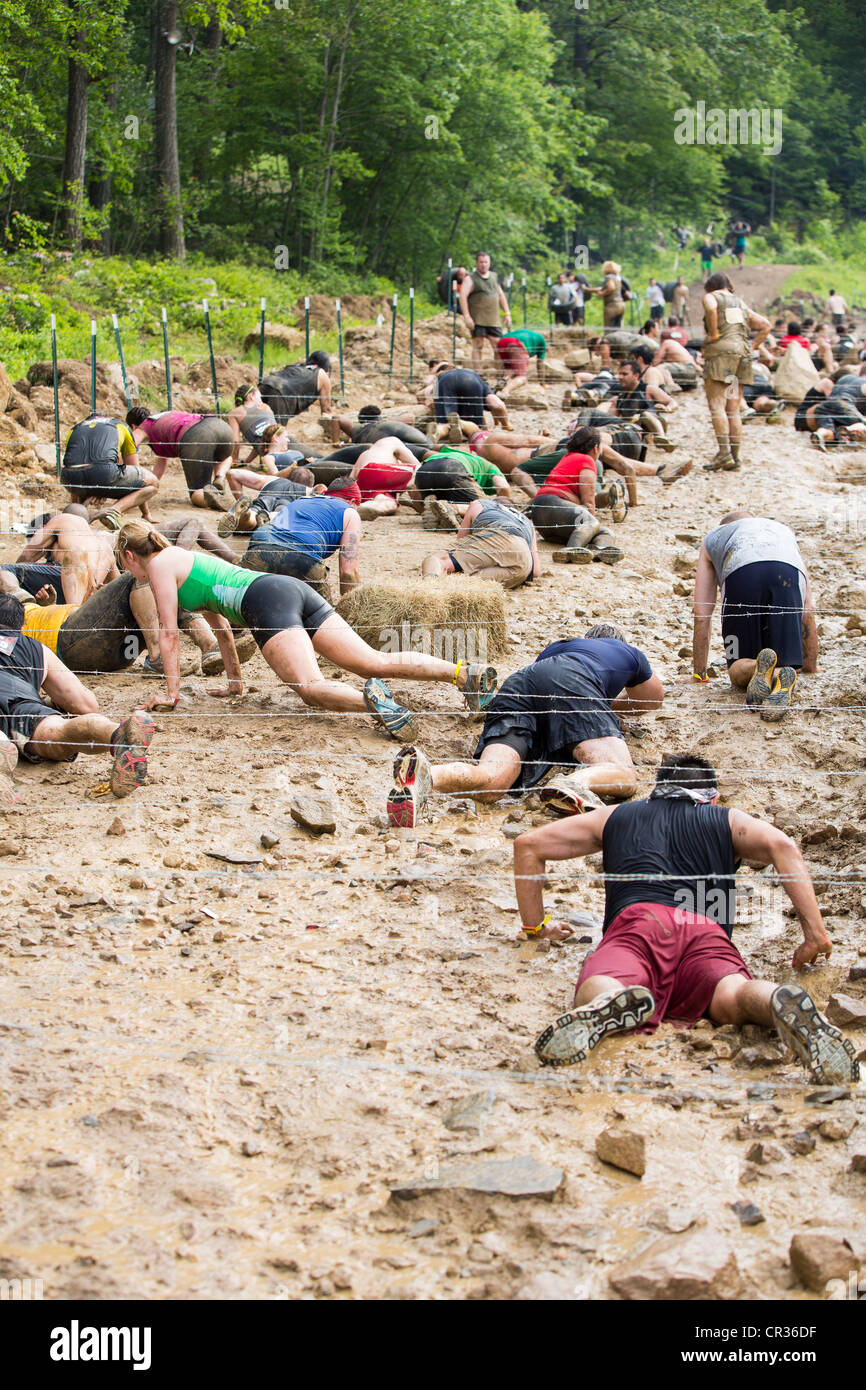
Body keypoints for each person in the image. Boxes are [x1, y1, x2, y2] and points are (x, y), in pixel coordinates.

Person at [524, 753, 858, 1087]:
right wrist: (815, 934)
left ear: (657, 790)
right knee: (732, 995)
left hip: (639, 923)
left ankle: (607, 1000)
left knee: (610, 976)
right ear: (712, 797)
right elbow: (782, 845)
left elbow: (528, 846)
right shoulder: (723, 818)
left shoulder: (616, 816)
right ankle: (776, 1002)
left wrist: (537, 926)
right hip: (706, 929)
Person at [116, 522, 499, 739]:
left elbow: (168, 634)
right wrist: (235, 682)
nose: (131, 574)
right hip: (286, 588)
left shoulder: (160, 566)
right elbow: (222, 630)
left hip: (264, 602)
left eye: (126, 565)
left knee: (310, 689)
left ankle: (381, 706)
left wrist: (171, 693)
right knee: (372, 661)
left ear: (130, 556)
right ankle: (465, 675)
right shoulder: (186, 559)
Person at [386, 624, 663, 828]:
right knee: (625, 776)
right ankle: (575, 784)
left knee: (493, 783)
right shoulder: (629, 652)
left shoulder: (559, 645)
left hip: (520, 683)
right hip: (574, 681)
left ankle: (428, 776)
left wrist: (595, 706)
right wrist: (605, 707)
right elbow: (651, 701)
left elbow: (549, 691)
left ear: (587, 637)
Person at [0, 592, 154, 800]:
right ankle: (118, 735)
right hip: (22, 704)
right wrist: (48, 702)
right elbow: (86, 704)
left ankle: (2, 749)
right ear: (20, 627)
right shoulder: (35, 647)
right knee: (58, 731)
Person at [691, 511, 818, 720]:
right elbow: (807, 609)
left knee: (737, 667)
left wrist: (699, 675)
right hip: (787, 573)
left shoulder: (713, 538)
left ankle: (758, 667)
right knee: (787, 662)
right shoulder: (783, 531)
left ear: (723, 526)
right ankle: (784, 673)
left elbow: (702, 612)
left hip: (742, 572)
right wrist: (811, 665)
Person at [240, 489, 361, 603]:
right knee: (322, 619)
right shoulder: (350, 512)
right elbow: (348, 572)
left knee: (243, 604)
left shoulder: (302, 500)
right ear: (353, 502)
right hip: (303, 555)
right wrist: (351, 611)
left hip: (261, 544)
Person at [701, 272, 770, 470]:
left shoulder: (711, 296)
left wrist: (713, 334)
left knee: (717, 404)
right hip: (741, 357)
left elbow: (711, 309)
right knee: (733, 408)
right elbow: (765, 325)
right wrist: (753, 346)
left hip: (721, 355)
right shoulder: (740, 303)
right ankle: (735, 456)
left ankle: (723, 454)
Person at [126, 406, 235, 511]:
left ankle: (210, 499)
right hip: (220, 426)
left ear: (133, 426)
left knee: (197, 493)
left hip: (197, 435)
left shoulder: (144, 426)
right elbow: (161, 464)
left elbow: (128, 446)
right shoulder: (164, 417)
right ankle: (219, 476)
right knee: (224, 457)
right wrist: (151, 485)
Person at [421, 497, 539, 589]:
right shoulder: (527, 522)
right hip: (523, 567)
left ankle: (429, 592)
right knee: (456, 581)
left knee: (439, 560)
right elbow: (536, 571)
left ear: (496, 504)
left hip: (499, 537)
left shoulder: (481, 504)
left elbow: (461, 540)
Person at [60, 414, 159, 521]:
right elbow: (135, 469)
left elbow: (74, 465)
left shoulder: (75, 429)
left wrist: (77, 505)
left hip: (68, 478)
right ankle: (112, 512)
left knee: (76, 471)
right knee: (153, 482)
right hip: (103, 473)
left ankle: (75, 518)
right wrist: (146, 513)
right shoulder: (120, 426)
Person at [15, 507, 118, 606]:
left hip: (70, 579)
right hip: (91, 592)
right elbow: (119, 586)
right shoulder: (104, 545)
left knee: (6, 572)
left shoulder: (61, 520)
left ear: (42, 529)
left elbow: (27, 556)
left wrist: (11, 571)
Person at [217, 467, 318, 537]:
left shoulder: (272, 479)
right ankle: (269, 520)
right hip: (286, 506)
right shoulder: (309, 491)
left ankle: (247, 514)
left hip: (265, 499)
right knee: (280, 514)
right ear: (309, 484)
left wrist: (241, 498)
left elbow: (233, 473)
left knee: (254, 512)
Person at [458, 252, 512, 371]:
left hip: (493, 319)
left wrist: (507, 313)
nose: (483, 265)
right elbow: (462, 296)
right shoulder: (470, 279)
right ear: (477, 263)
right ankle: (479, 374)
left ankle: (500, 374)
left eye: (485, 262)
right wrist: (466, 316)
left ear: (489, 263)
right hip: (478, 318)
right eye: (481, 262)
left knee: (498, 346)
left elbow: (501, 295)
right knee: (478, 345)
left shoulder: (494, 277)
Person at [258, 352, 333, 424]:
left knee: (255, 421)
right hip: (280, 392)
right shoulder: (322, 374)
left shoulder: (297, 366)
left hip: (266, 383)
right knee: (276, 432)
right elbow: (326, 413)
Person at [430, 366, 509, 431]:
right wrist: (506, 425)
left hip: (444, 382)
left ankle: (441, 432)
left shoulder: (439, 378)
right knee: (475, 422)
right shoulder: (472, 373)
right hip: (469, 379)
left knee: (445, 423)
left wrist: (439, 418)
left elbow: (436, 403)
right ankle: (469, 429)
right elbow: (497, 404)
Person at [794, 378, 866, 448]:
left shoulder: (846, 381)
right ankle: (849, 429)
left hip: (824, 409)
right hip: (841, 403)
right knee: (861, 423)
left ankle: (820, 435)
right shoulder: (861, 383)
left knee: (830, 431)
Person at [326, 405, 430, 450]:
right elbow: (410, 417)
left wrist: (336, 442)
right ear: (378, 417)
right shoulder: (386, 424)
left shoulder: (356, 429)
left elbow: (336, 418)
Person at [227, 384, 276, 463]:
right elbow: (267, 437)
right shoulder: (266, 407)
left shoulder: (234, 413)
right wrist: (247, 462)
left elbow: (236, 441)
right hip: (286, 446)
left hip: (272, 455)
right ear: (251, 396)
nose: (261, 400)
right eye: (259, 397)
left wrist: (234, 460)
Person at [494, 330, 547, 394]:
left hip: (501, 342)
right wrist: (542, 383)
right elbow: (540, 363)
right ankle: (504, 392)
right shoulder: (542, 343)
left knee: (510, 369)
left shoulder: (527, 333)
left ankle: (504, 379)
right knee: (522, 377)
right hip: (515, 344)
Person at [596, 261, 627, 330]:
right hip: (621, 304)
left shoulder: (609, 278)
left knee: (608, 328)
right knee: (618, 328)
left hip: (612, 305)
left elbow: (611, 287)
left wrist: (602, 293)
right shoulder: (617, 278)